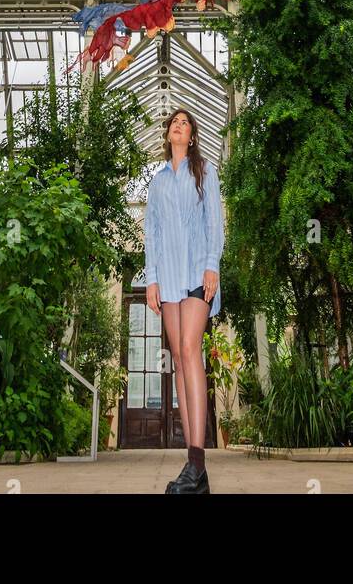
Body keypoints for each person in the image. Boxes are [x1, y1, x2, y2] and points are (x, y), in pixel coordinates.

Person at [144, 106, 225, 495]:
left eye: (185, 123)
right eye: (174, 122)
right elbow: (152, 234)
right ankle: (197, 473)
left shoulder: (205, 171)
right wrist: (152, 280)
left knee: (191, 349)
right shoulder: (157, 183)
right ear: (169, 135)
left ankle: (197, 459)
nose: (179, 126)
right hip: (169, 278)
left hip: (197, 274)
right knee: (178, 358)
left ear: (191, 136)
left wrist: (212, 265)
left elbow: (215, 222)